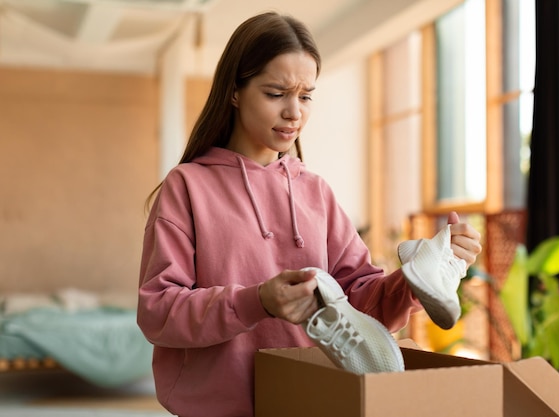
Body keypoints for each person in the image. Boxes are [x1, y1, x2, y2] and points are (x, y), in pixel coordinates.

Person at [137, 11, 482, 417]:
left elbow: (362, 309)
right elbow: (158, 312)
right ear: (234, 91)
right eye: (275, 93)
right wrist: (258, 301)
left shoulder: (315, 191)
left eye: (305, 96)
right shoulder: (187, 186)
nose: (294, 113)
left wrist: (415, 282)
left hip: (312, 401)